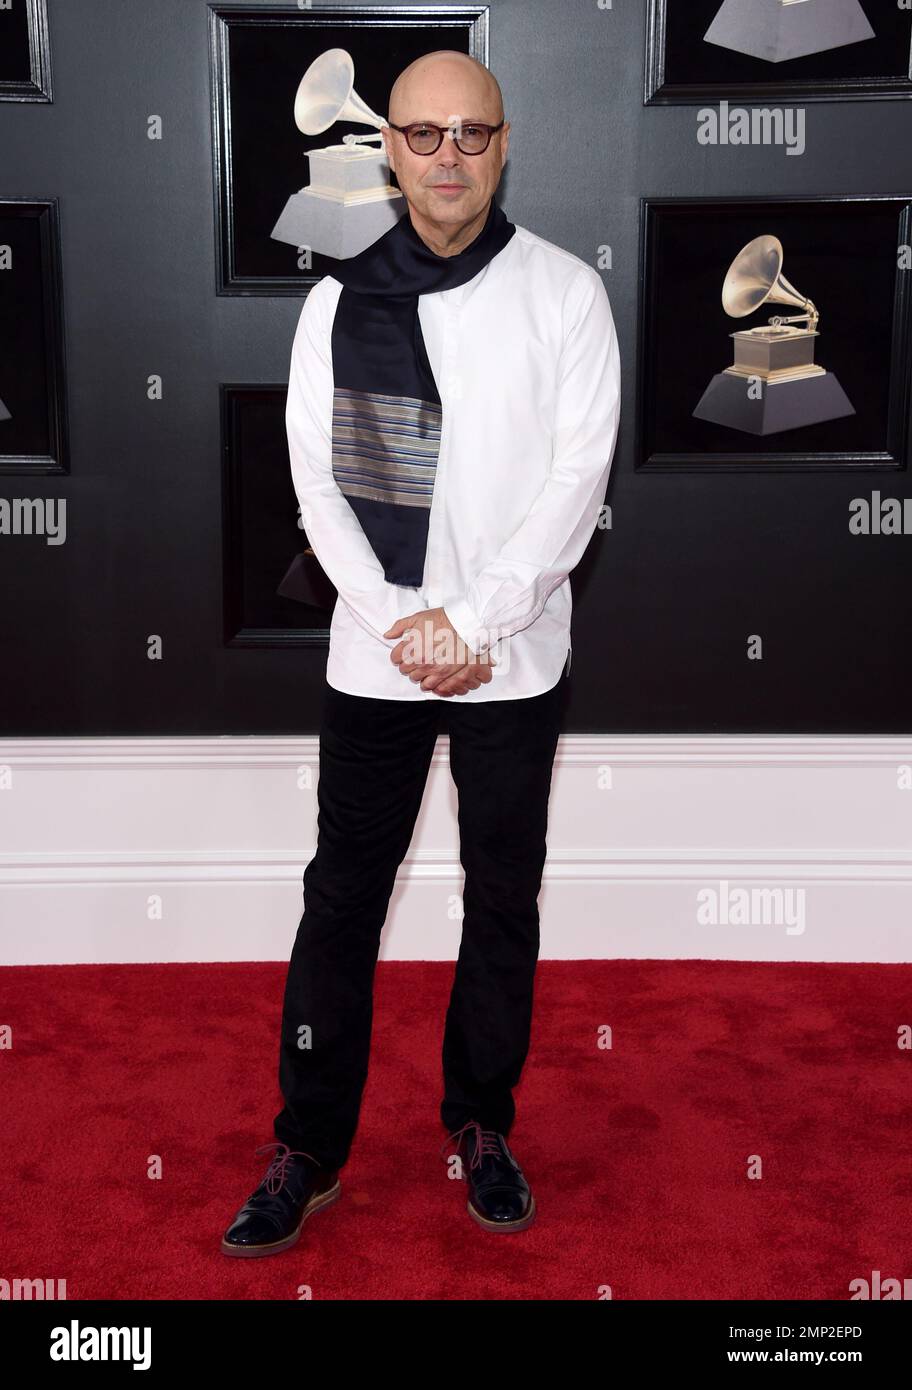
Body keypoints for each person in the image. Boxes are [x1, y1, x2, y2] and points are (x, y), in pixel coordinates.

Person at [221, 48, 620, 1257]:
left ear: (503, 145)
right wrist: (404, 614)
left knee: (501, 896)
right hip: (377, 647)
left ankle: (482, 1125)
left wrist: (479, 618)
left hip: (515, 654)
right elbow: (311, 481)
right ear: (390, 149)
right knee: (342, 898)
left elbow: (576, 479)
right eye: (424, 134)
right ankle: (308, 1144)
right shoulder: (337, 301)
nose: (449, 157)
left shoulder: (565, 294)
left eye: (473, 134)